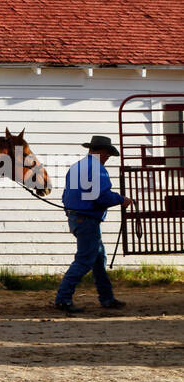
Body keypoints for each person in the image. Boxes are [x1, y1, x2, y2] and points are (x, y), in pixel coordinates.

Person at [54, 134, 133, 314]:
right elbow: (101, 196)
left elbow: (67, 195)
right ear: (103, 152)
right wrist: (122, 200)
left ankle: (107, 297)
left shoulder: (77, 167)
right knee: (84, 260)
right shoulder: (97, 169)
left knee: (98, 259)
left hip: (77, 217)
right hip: (87, 219)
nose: (107, 158)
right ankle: (63, 298)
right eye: (107, 154)